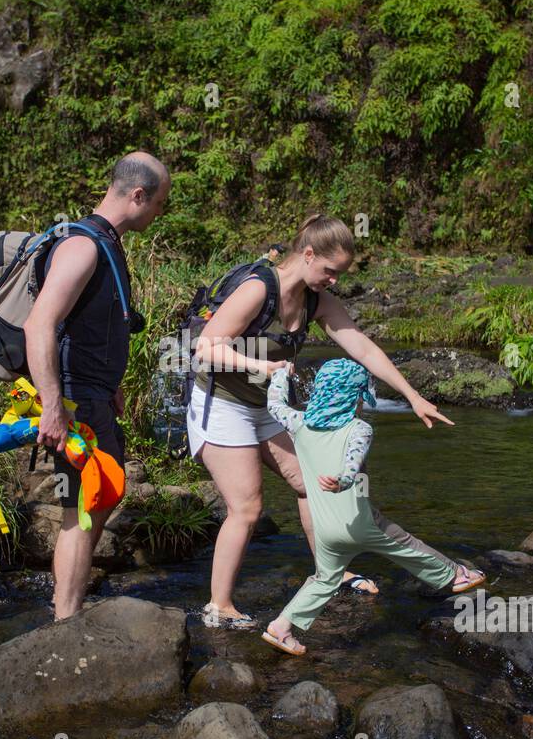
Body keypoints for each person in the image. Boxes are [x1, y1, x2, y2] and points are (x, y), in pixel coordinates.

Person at [188, 213, 456, 628]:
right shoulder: (259, 289)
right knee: (247, 506)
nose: (334, 281)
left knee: (312, 482)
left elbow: (362, 348)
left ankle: (330, 572)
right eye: (330, 271)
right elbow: (205, 348)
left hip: (269, 406)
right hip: (221, 403)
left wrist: (413, 395)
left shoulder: (317, 300)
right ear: (308, 254)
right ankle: (218, 606)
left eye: (339, 275)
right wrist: (265, 366)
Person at [25, 151, 170, 619]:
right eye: (159, 204)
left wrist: (111, 383)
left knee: (105, 492)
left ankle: (66, 603)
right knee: (80, 509)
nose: (159, 213)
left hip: (94, 395)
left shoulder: (106, 242)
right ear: (137, 195)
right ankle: (65, 620)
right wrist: (52, 406)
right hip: (72, 403)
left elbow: (93, 326)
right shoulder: (83, 245)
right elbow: (39, 324)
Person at [260, 360, 487, 655]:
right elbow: (352, 465)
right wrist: (341, 481)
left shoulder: (298, 422)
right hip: (358, 522)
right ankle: (455, 575)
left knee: (324, 579)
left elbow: (274, 403)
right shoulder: (360, 429)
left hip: (324, 529)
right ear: (355, 396)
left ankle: (281, 627)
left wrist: (279, 375)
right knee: (404, 543)